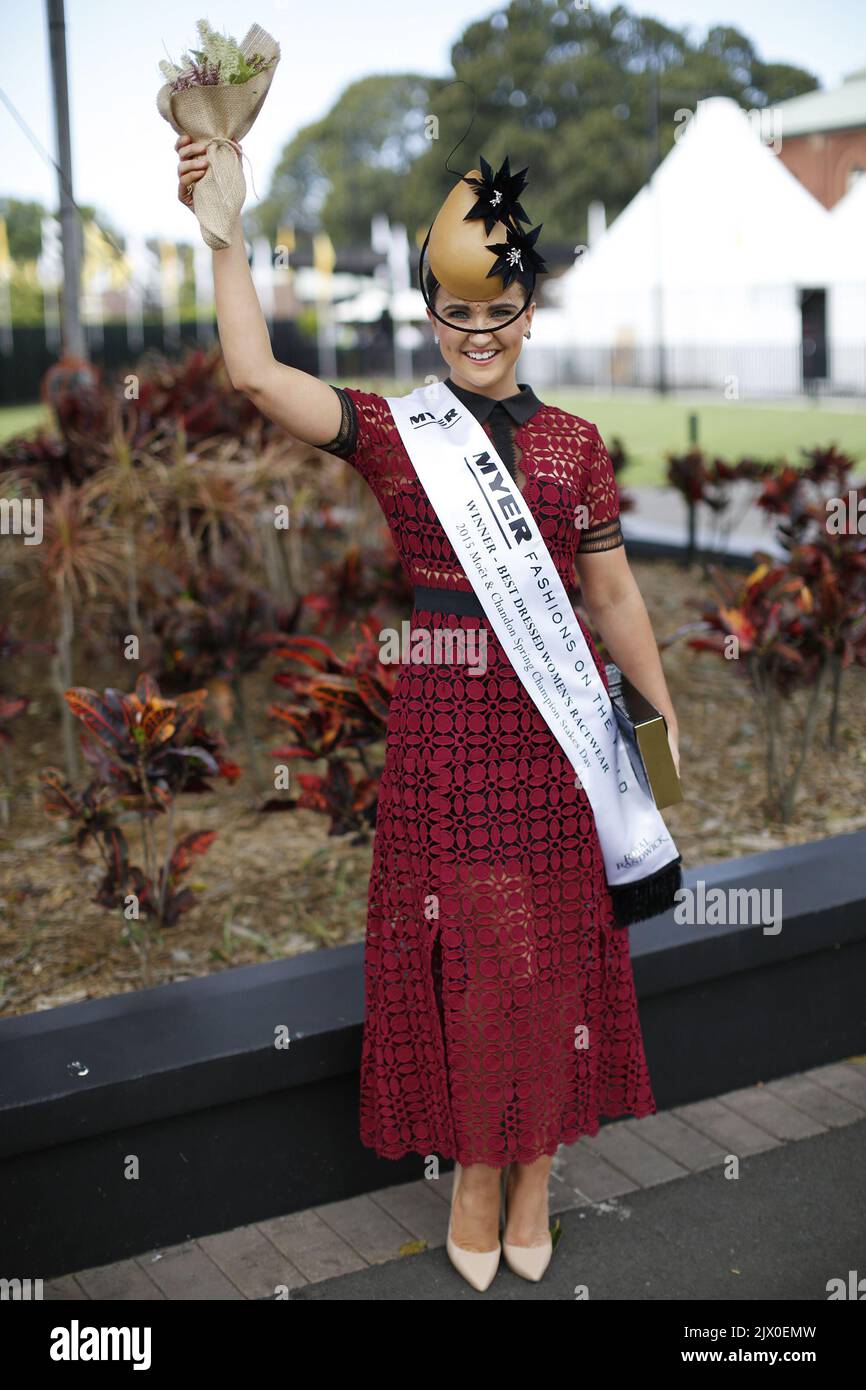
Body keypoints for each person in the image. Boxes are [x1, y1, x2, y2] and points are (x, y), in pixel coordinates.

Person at [175, 136, 682, 1291]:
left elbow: (611, 597)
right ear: (429, 314)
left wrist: (655, 738)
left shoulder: (574, 446)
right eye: (457, 313)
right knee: (472, 957)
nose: (478, 332)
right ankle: (474, 1172)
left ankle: (535, 1171)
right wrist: (222, 230)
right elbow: (254, 376)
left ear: (528, 311)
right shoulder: (400, 435)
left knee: (556, 953)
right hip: (447, 737)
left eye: (497, 310)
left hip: (559, 737)